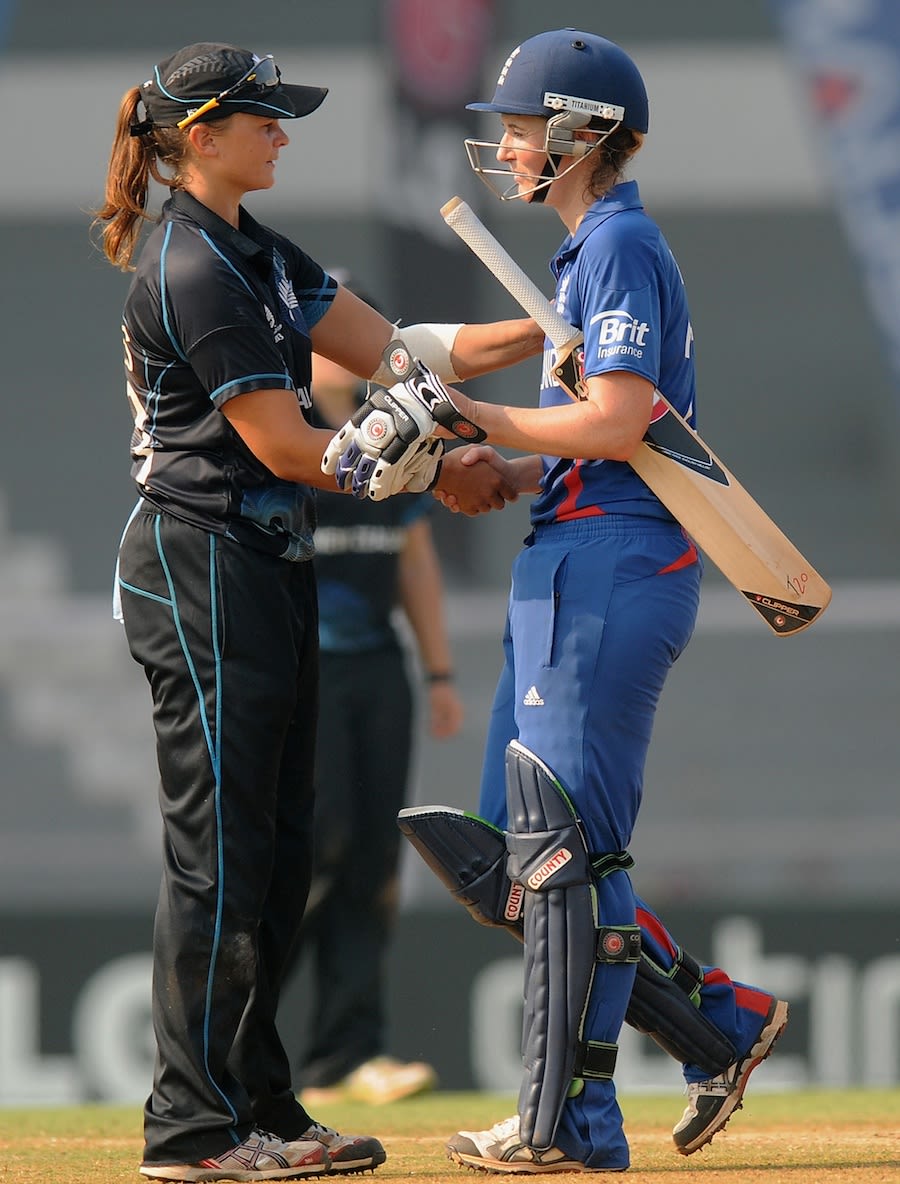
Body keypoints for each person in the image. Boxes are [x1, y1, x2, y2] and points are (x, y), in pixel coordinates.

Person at [326, 28, 789, 1175]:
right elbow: (589, 442)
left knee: (558, 857)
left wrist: (469, 416)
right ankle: (717, 1023)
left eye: (525, 124)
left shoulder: (621, 242)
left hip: (615, 561)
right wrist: (478, 461)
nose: (510, 142)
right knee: (506, 858)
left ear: (581, 133)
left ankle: (569, 1124)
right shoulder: (587, 254)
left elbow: (623, 419)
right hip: (570, 540)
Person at [92, 40, 542, 1183]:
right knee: (222, 855)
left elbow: (400, 349)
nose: (283, 133)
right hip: (198, 566)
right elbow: (288, 444)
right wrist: (443, 464)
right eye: (265, 118)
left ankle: (263, 1105)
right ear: (201, 136)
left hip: (258, 561)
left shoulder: (251, 249)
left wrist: (561, 316)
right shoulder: (190, 262)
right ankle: (193, 1130)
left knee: (281, 852)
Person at [289, 290, 463, 1106]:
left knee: (370, 861)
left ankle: (346, 1056)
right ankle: (242, 1051)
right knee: (311, 857)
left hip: (376, 672)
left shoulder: (392, 441)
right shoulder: (282, 439)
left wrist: (437, 673)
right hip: (305, 671)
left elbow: (414, 561)